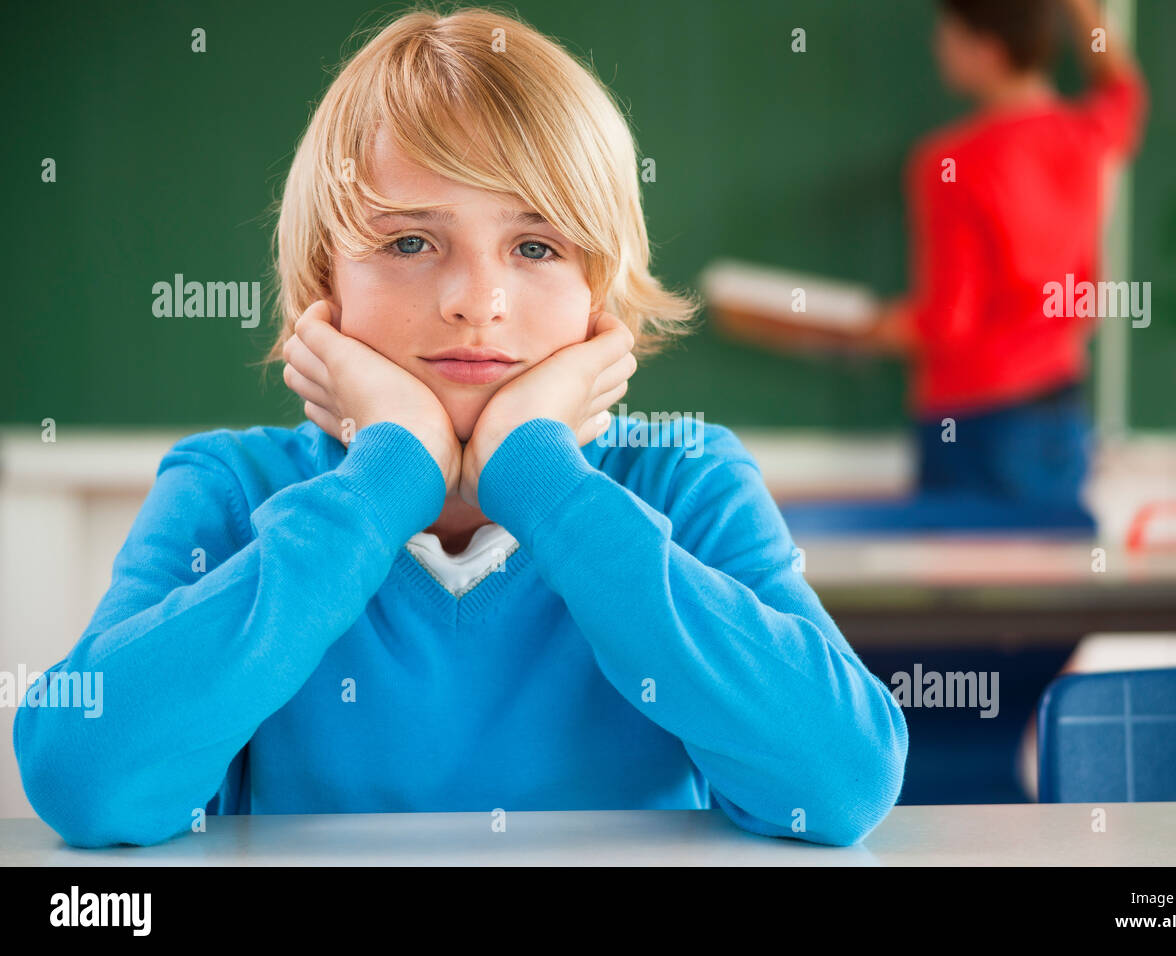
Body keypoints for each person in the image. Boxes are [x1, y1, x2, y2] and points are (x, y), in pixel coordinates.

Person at [13, 5, 907, 848]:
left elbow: (841, 781)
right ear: (326, 278)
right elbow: (85, 780)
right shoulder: (230, 488)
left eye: (537, 247)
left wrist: (544, 480)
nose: (476, 303)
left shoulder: (686, 478)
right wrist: (385, 478)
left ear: (601, 289)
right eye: (409, 243)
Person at [791, 0, 1148, 535]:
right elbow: (1124, 91)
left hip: (974, 426)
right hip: (1059, 421)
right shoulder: (1087, 136)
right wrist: (1082, 15)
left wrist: (843, 328)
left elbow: (946, 323)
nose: (939, 47)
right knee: (1049, 603)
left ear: (987, 49)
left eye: (950, 35)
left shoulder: (951, 164)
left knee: (958, 610)